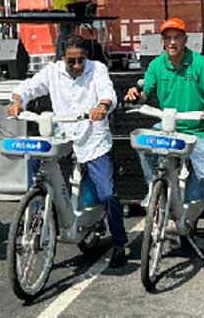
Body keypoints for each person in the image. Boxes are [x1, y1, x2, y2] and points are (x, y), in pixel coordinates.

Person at [7, 35, 128, 267]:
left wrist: (102, 106)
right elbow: (29, 87)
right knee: (35, 160)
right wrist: (17, 100)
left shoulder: (98, 69)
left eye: (80, 61)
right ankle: (36, 208)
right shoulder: (52, 71)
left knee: (107, 194)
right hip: (63, 132)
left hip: (92, 136)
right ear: (63, 58)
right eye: (71, 61)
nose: (76, 66)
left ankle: (119, 243)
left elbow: (107, 92)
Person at [123, 18, 204, 266]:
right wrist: (135, 95)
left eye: (177, 37)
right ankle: (154, 188)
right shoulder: (157, 66)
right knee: (142, 139)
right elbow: (145, 94)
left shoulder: (199, 63)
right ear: (163, 42)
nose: (172, 42)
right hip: (168, 127)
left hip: (198, 130)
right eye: (168, 38)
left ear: (185, 40)